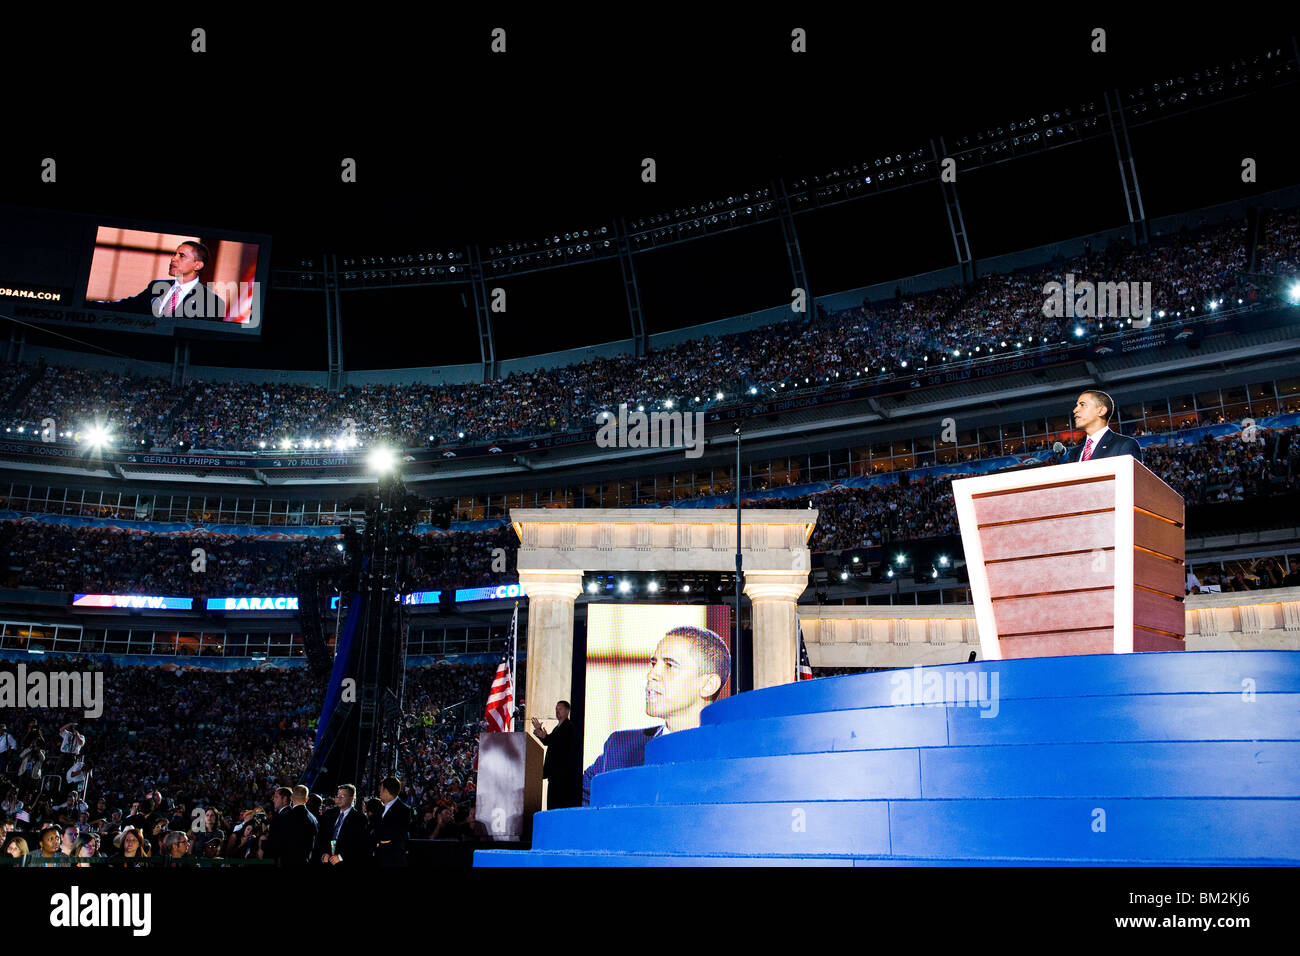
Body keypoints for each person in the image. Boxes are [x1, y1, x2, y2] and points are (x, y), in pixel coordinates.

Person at [582, 625, 732, 805]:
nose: (651, 674)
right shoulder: (619, 748)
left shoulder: (732, 753)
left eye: (669, 665)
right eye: (654, 663)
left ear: (708, 684)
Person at [103, 241, 227, 320]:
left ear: (197, 265)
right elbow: (127, 306)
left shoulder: (211, 303)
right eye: (174, 254)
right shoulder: (156, 286)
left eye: (181, 256)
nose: (173, 259)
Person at [1068, 390, 1143, 463]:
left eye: (1082, 405)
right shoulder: (1074, 453)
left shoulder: (1124, 445)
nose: (1075, 410)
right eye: (1077, 406)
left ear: (1101, 411)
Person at [532, 700, 580, 809]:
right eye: (556, 709)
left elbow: (556, 741)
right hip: (555, 775)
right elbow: (548, 741)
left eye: (560, 709)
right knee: (552, 805)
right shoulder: (557, 727)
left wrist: (544, 735)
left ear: (567, 711)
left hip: (562, 775)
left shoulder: (569, 726)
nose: (557, 711)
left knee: (557, 805)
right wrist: (540, 731)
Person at [316, 783, 367, 866]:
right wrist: (323, 853)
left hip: (346, 863)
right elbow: (321, 836)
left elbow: (359, 844)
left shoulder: (360, 818)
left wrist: (341, 856)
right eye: (337, 795)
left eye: (342, 796)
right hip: (327, 861)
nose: (338, 799)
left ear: (352, 799)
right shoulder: (329, 814)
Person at [373, 776, 410, 866]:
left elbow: (394, 834)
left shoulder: (403, 810)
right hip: (380, 858)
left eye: (381, 790)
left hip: (393, 860)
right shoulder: (381, 808)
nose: (379, 793)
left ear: (386, 791)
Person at [279, 785, 318, 866]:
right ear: (306, 799)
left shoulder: (284, 816)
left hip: (286, 862)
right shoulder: (313, 819)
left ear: (291, 798)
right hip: (304, 863)